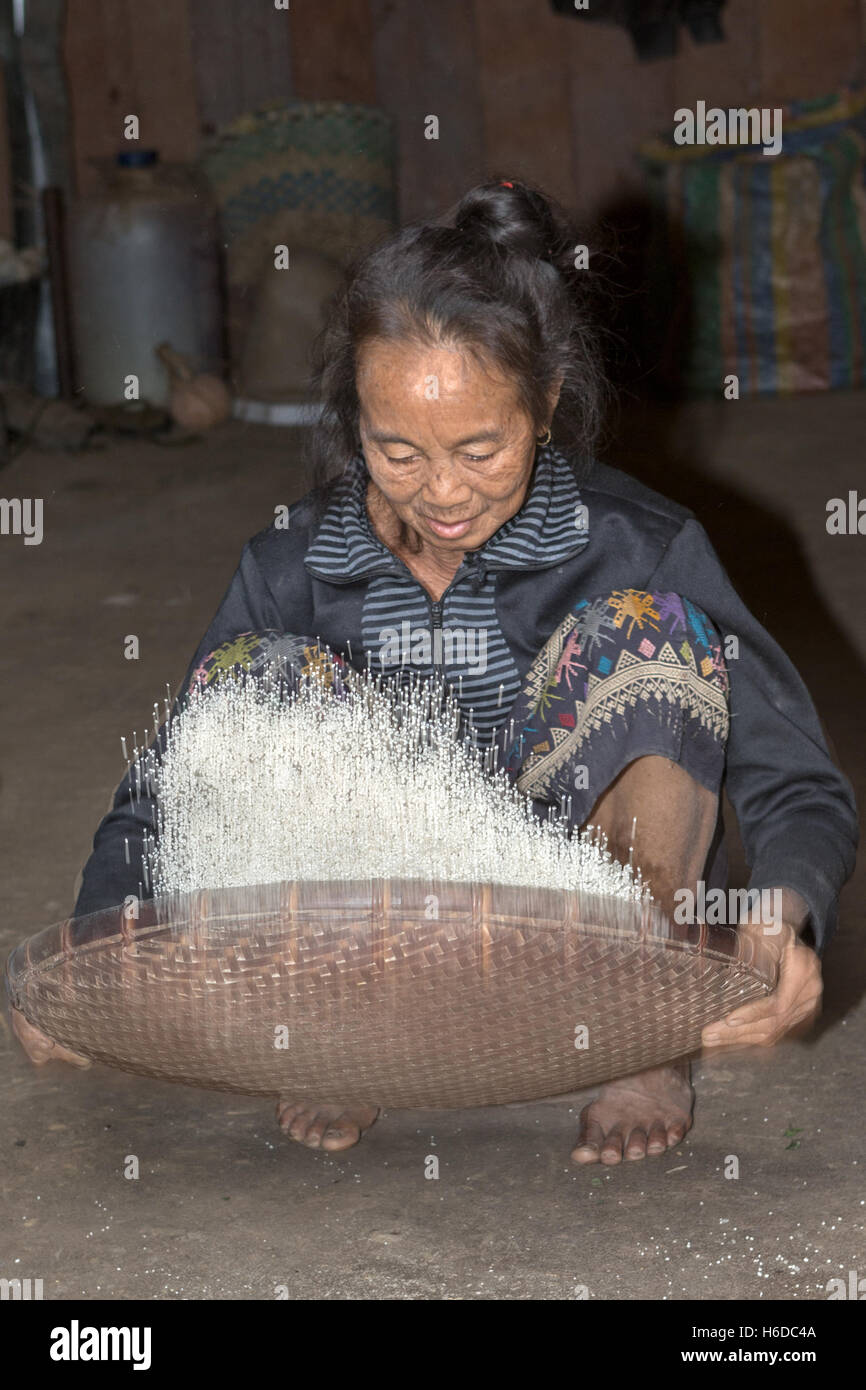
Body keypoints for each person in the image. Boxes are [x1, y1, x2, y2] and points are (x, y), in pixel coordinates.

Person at [20, 178, 857, 1164]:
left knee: (651, 642)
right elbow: (164, 783)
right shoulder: (290, 561)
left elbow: (791, 775)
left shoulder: (638, 541)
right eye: (396, 451)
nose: (443, 492)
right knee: (256, 682)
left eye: (477, 448)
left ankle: (642, 1036)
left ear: (543, 405)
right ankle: (340, 1030)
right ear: (353, 417)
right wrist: (87, 961)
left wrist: (781, 911)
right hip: (373, 942)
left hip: (581, 934)